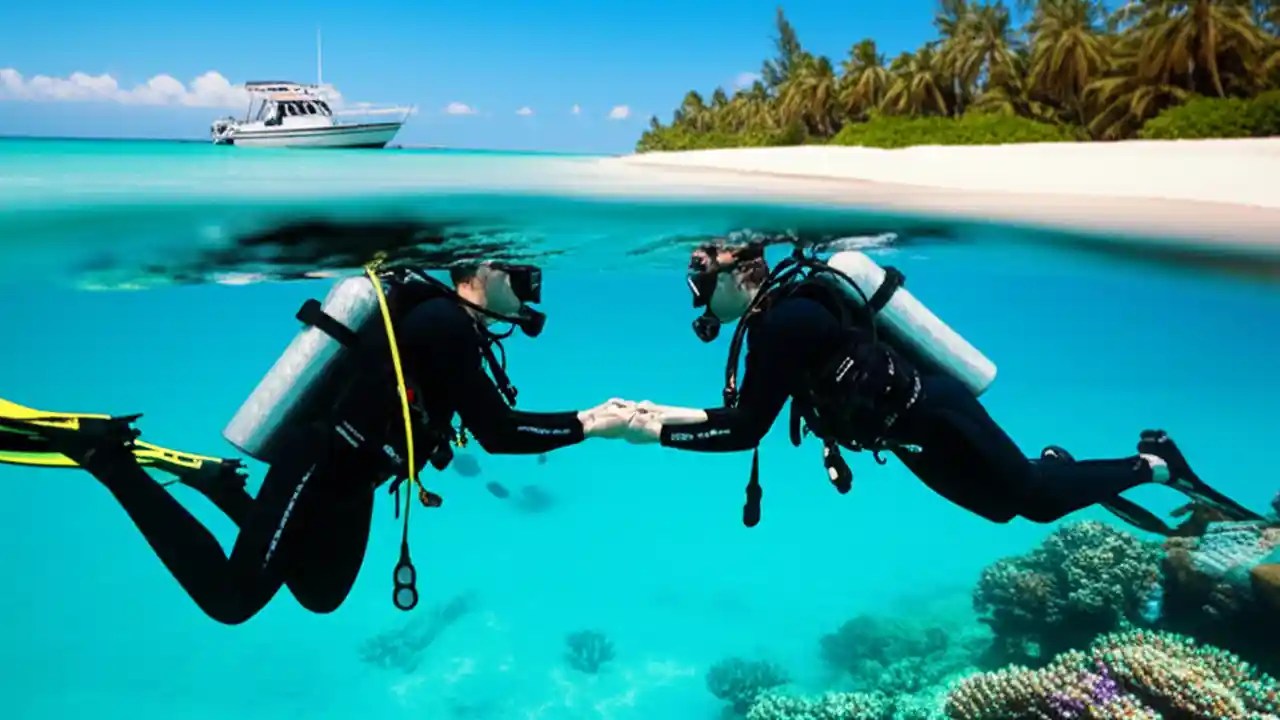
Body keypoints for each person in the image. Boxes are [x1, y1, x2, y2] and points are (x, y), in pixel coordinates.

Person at [2, 261, 634, 624]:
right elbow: (497, 433)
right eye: (523, 275)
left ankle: (223, 489)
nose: (531, 290)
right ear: (486, 272)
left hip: (354, 475)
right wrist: (592, 422)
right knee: (232, 599)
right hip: (322, 457)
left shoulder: (452, 324)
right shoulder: (444, 323)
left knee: (321, 594)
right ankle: (108, 461)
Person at [615, 238, 1262, 534]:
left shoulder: (784, 321)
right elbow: (745, 413)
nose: (696, 294)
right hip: (908, 436)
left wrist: (653, 434)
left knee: (1031, 501)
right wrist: (655, 411)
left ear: (735, 274)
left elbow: (745, 430)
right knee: (1004, 507)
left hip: (933, 413)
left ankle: (1152, 464)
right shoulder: (779, 320)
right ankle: (1051, 466)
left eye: (699, 277)